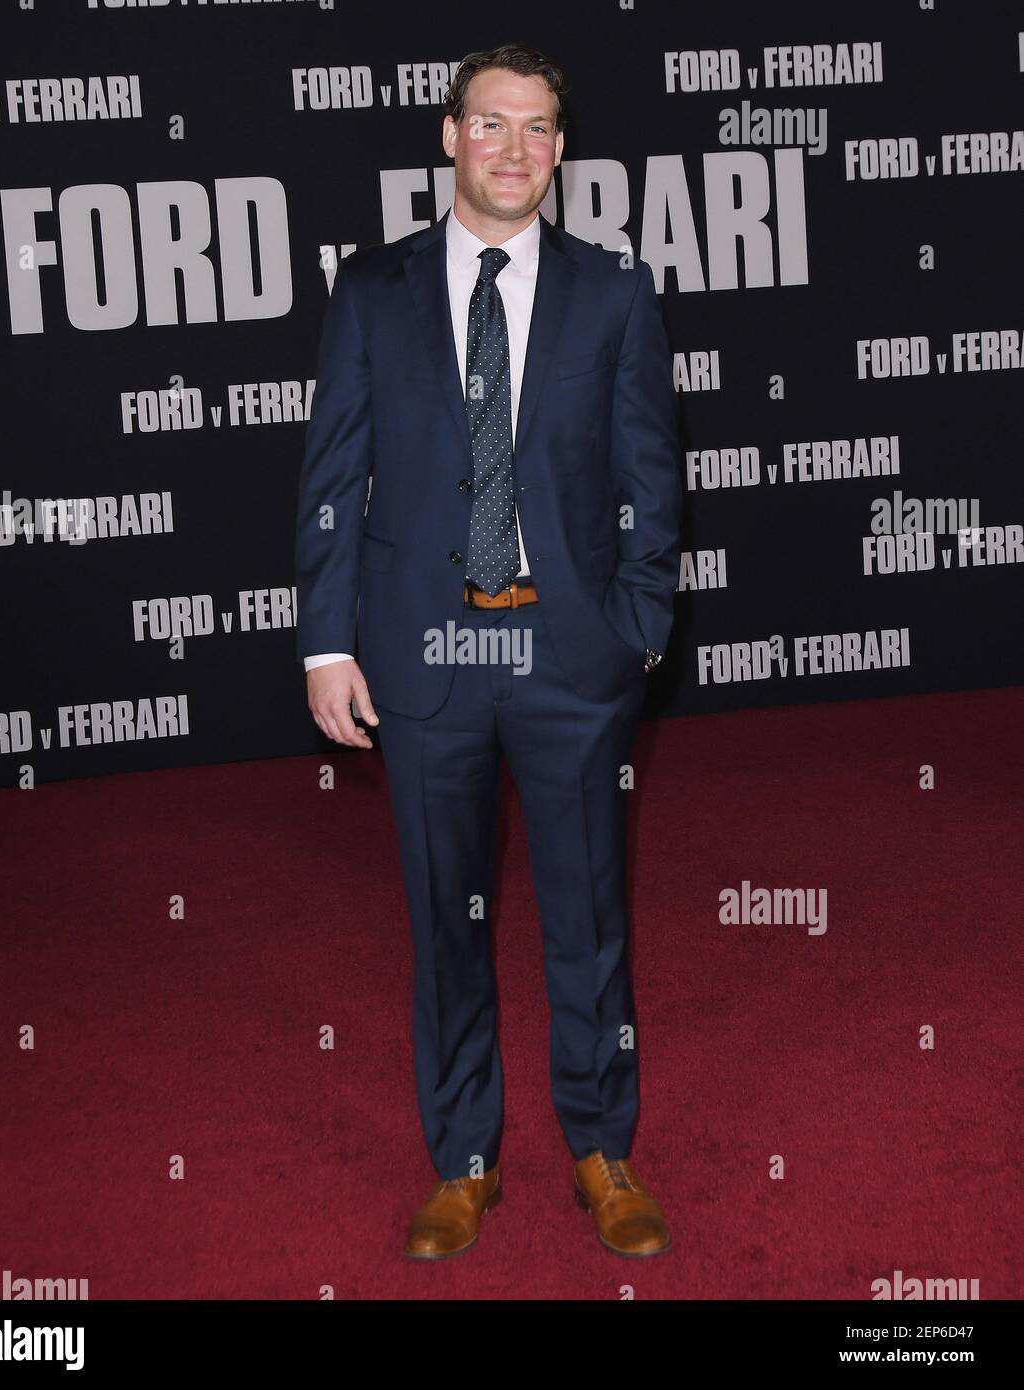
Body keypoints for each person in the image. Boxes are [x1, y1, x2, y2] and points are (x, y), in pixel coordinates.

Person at [295, 42, 682, 1260]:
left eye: (537, 129)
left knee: (588, 916)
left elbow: (649, 478)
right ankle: (461, 1159)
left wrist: (636, 626)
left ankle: (599, 1145)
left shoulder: (613, 293)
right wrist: (324, 646)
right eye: (489, 124)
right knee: (441, 918)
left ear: (560, 150)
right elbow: (331, 474)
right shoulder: (372, 289)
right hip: (421, 653)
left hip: (569, 655)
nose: (512, 149)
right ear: (448, 136)